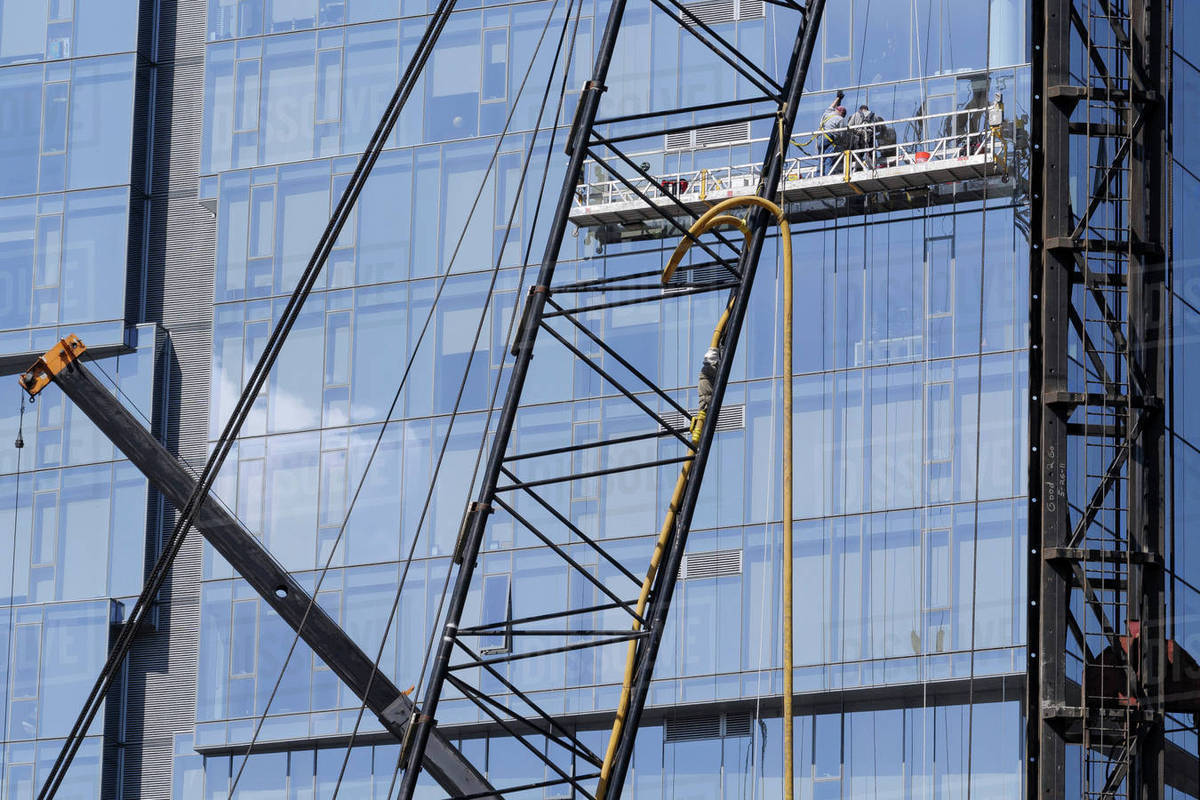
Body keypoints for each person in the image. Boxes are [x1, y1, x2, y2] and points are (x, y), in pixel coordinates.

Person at [818, 91, 848, 176]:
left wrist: (838, 98)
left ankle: (818, 174)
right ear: (842, 114)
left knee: (821, 158)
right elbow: (842, 134)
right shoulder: (840, 119)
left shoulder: (828, 113)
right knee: (828, 157)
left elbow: (832, 106)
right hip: (829, 138)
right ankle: (828, 174)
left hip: (821, 138)